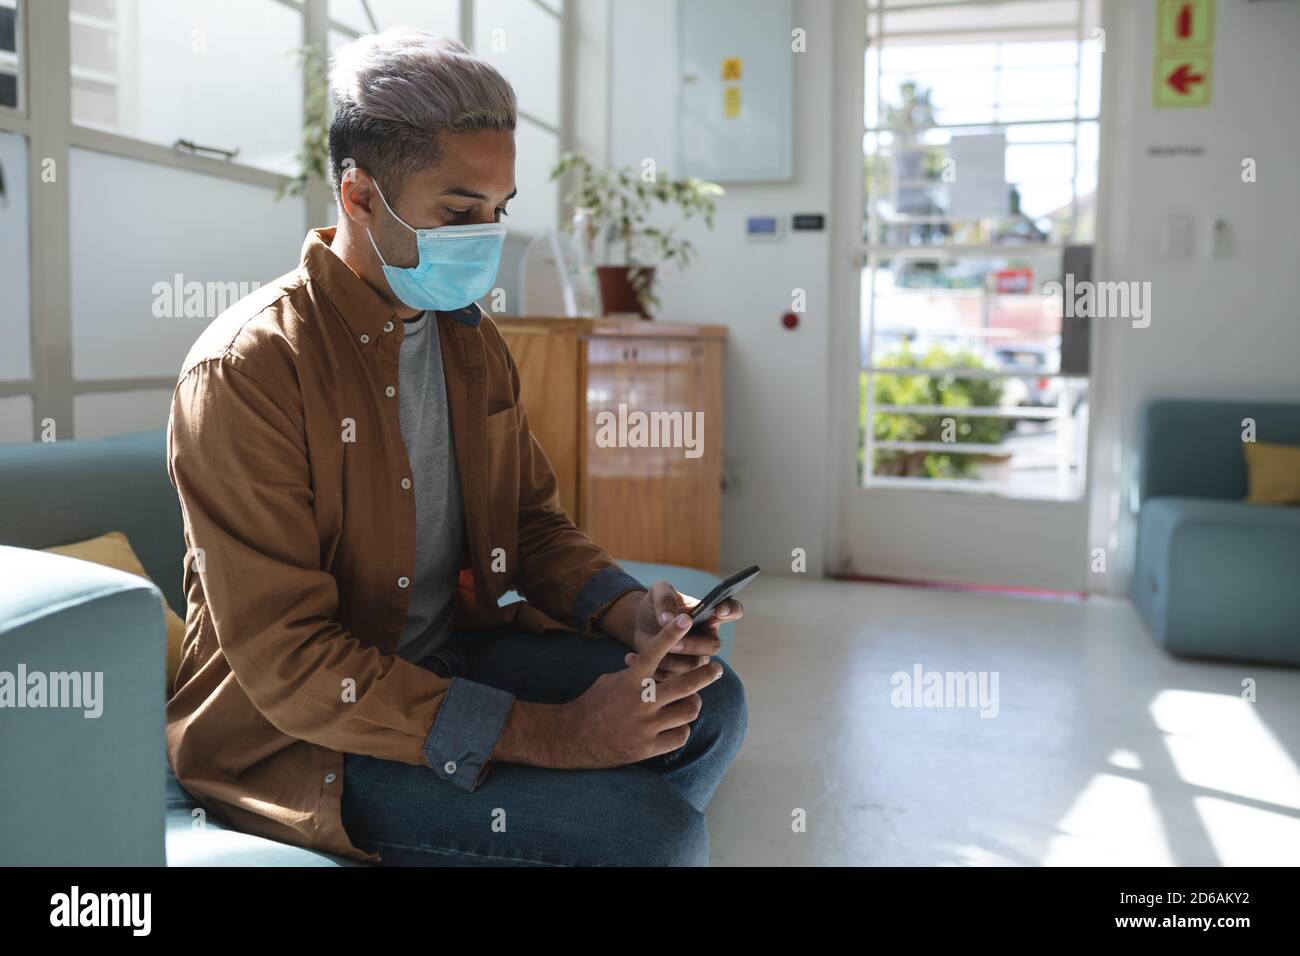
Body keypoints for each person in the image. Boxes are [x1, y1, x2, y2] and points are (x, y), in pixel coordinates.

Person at [164, 28, 746, 866]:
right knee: (649, 834)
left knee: (707, 703)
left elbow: (532, 523)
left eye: (499, 211)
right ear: (358, 195)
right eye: (460, 212)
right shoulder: (249, 371)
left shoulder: (466, 339)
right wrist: (554, 737)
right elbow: (290, 665)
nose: (486, 238)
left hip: (447, 660)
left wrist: (629, 609)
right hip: (307, 737)